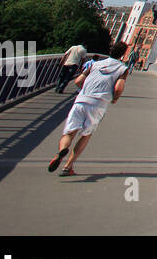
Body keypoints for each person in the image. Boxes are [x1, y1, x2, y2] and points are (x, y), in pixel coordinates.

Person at [48, 43, 130, 177]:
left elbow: (78, 80)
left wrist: (84, 90)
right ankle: (68, 166)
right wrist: (115, 99)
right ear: (122, 54)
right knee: (85, 135)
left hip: (82, 100)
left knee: (69, 133)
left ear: (110, 50)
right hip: (98, 104)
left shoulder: (95, 64)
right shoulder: (122, 68)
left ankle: (62, 150)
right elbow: (118, 88)